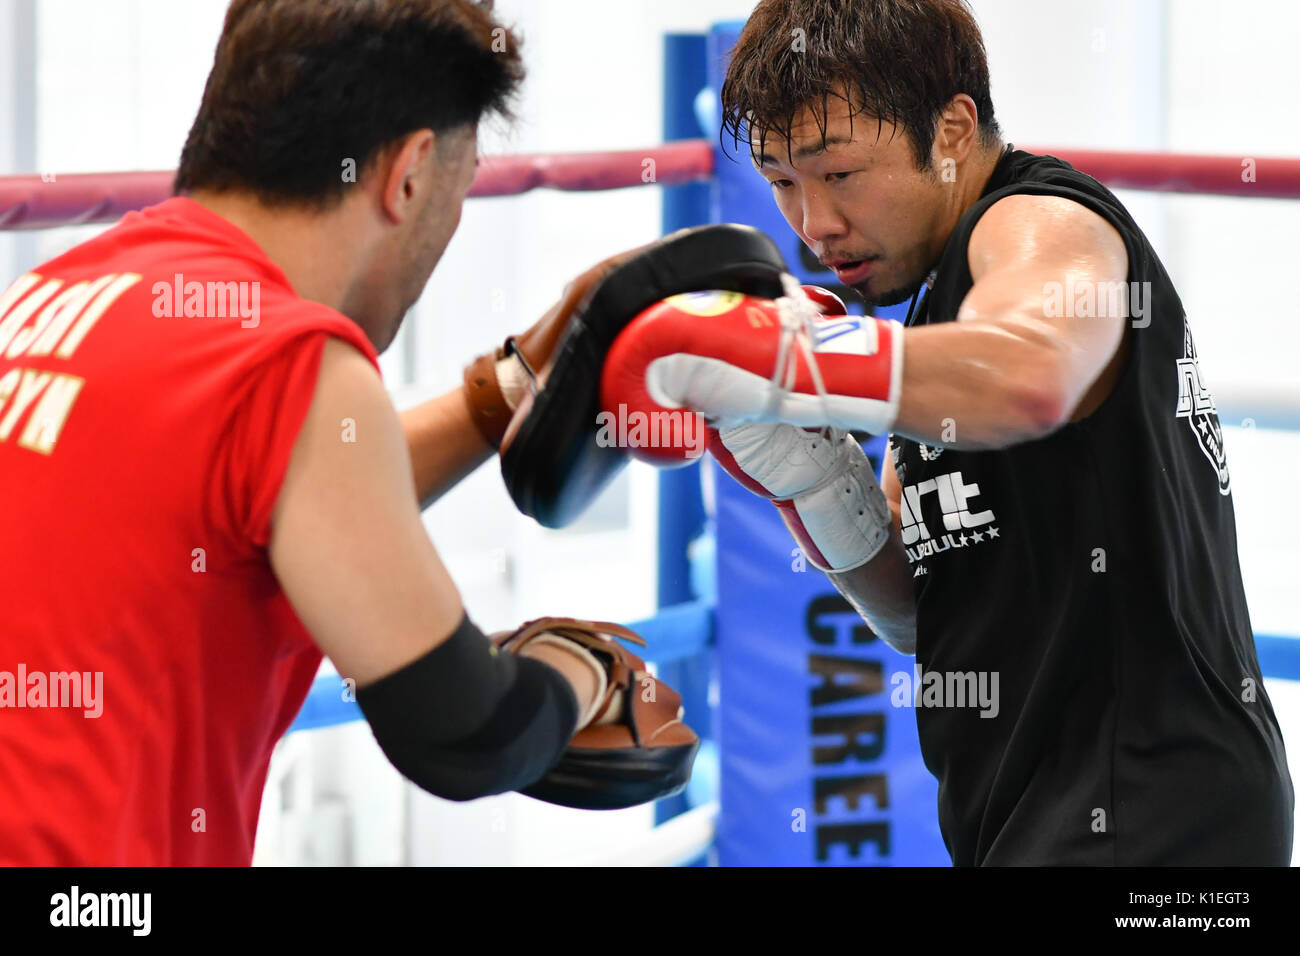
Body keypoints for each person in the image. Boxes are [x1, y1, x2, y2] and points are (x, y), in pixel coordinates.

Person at [0, 0, 692, 865]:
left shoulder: (61, 296)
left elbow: (280, 491)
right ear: (409, 176)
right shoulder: (289, 359)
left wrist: (508, 392)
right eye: (462, 186)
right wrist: (585, 672)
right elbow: (467, 733)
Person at [602, 0, 1293, 865]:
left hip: (1151, 815)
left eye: (839, 173)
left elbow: (1033, 369)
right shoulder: (934, 317)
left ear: (953, 128)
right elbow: (918, 618)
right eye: (781, 180)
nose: (812, 223)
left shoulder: (1037, 226)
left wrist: (792, 356)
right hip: (1031, 811)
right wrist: (815, 479)